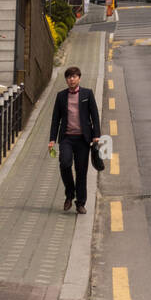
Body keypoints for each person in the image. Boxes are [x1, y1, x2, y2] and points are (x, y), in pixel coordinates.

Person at [48, 66, 100, 214]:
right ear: (66, 80)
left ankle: (80, 203)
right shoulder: (61, 96)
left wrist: (96, 135)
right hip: (66, 138)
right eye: (69, 77)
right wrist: (52, 139)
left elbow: (94, 116)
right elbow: (55, 119)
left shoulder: (87, 94)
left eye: (74, 76)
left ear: (79, 78)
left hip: (83, 139)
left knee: (81, 171)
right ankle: (69, 194)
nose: (72, 79)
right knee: (64, 164)